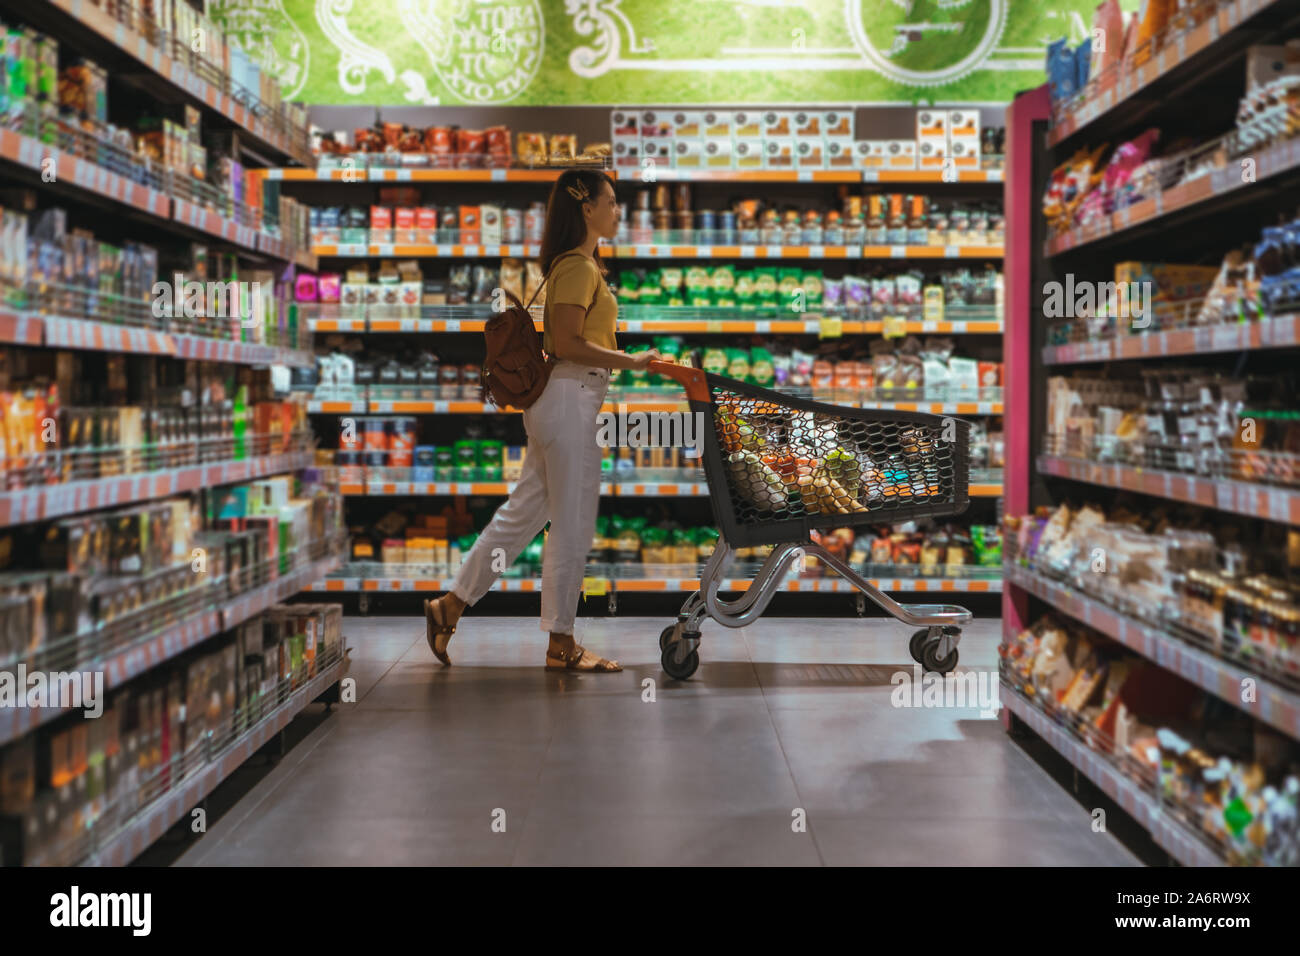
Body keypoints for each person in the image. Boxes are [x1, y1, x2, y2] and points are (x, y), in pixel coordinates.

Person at [423, 169, 661, 671]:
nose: (618, 211)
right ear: (587, 209)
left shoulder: (578, 264)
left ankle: (451, 605)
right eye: (611, 202)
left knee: (523, 514)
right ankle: (560, 642)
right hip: (571, 399)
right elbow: (570, 343)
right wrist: (632, 361)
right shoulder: (577, 266)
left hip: (560, 402)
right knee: (570, 524)